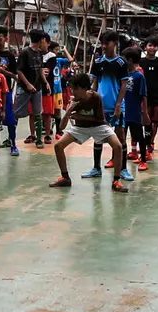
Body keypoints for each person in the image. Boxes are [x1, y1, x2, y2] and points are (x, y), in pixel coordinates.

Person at [48, 72, 129, 193]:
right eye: (72, 89)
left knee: (117, 145)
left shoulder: (96, 97)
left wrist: (79, 116)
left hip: (99, 126)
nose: (73, 92)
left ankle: (116, 181)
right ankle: (65, 178)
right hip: (80, 128)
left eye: (76, 89)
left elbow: (100, 119)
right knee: (58, 146)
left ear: (85, 88)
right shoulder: (73, 100)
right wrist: (69, 110)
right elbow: (62, 126)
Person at [85, 31, 129, 179]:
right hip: (101, 106)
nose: (103, 46)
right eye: (102, 43)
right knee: (98, 137)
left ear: (114, 43)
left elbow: (123, 86)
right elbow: (94, 83)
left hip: (116, 106)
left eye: (107, 43)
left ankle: (123, 169)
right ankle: (96, 168)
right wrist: (91, 101)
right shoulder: (98, 62)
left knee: (120, 136)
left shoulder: (121, 63)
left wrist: (118, 105)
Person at [0, 26, 21, 156]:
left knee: (10, 119)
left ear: (6, 39)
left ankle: (13, 143)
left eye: (0, 39)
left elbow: (15, 75)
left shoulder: (9, 55)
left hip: (5, 91)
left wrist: (3, 72)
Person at [15, 29, 48, 148]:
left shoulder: (39, 53)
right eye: (44, 40)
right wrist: (28, 84)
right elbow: (19, 70)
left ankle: (39, 139)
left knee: (37, 113)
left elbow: (40, 69)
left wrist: (45, 82)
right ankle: (11, 139)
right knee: (17, 113)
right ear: (41, 40)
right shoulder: (25, 53)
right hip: (24, 88)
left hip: (37, 88)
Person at [119, 48, 150, 172]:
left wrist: (145, 112)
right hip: (122, 112)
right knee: (120, 136)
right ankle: (116, 159)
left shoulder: (139, 76)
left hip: (135, 111)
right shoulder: (122, 75)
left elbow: (144, 95)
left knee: (138, 136)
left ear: (130, 60)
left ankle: (143, 160)